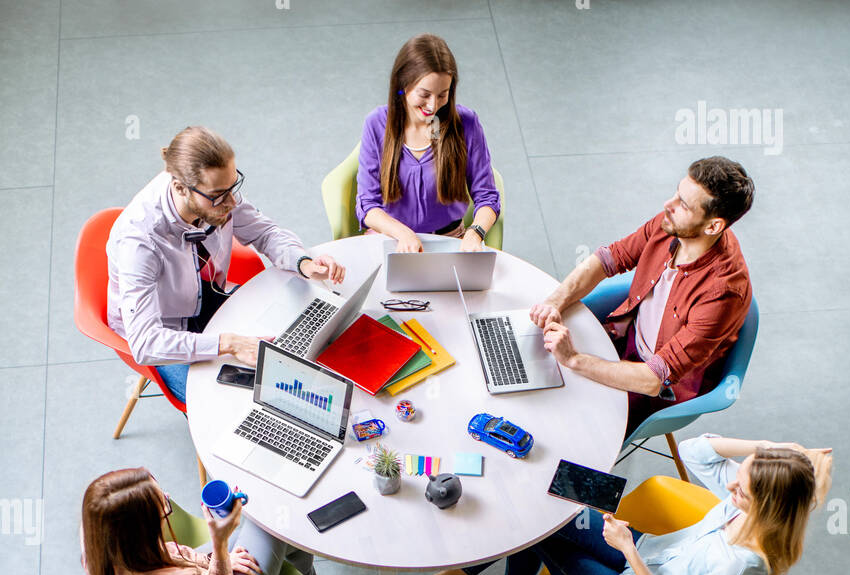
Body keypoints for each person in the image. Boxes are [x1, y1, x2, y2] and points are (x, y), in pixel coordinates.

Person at [396, 436, 833, 575]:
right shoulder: (758, 508)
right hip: (646, 549)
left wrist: (628, 551)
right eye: (738, 477)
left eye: (742, 488)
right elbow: (696, 450)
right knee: (550, 502)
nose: (731, 486)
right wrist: (768, 449)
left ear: (767, 506)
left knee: (538, 529)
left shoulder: (740, 568)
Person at [107, 125, 346, 404]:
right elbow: (146, 342)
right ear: (180, 188)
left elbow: (264, 232)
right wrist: (228, 343)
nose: (232, 202)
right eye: (220, 195)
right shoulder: (139, 242)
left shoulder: (214, 191)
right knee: (229, 404)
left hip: (207, 294)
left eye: (234, 186)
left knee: (300, 337)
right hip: (167, 329)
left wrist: (303, 262)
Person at [530, 158, 755, 434]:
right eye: (676, 193)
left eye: (684, 205)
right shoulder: (672, 223)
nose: (668, 205)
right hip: (627, 338)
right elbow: (609, 258)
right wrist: (555, 302)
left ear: (713, 227)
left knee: (572, 428)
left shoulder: (723, 293)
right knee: (537, 381)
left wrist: (574, 359)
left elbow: (652, 380)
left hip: (659, 389)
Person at [81, 469, 341, 575]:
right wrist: (220, 546)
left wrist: (214, 561)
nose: (168, 498)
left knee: (273, 533)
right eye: (164, 505)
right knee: (273, 524)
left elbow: (176, 558)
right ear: (142, 532)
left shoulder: (97, 543)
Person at [356, 33, 500, 253]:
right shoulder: (375, 123)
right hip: (391, 238)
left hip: (450, 238)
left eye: (442, 95)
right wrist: (403, 234)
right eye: (424, 94)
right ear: (403, 85)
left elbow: (487, 196)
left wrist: (475, 232)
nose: (433, 106)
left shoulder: (467, 124)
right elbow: (367, 205)